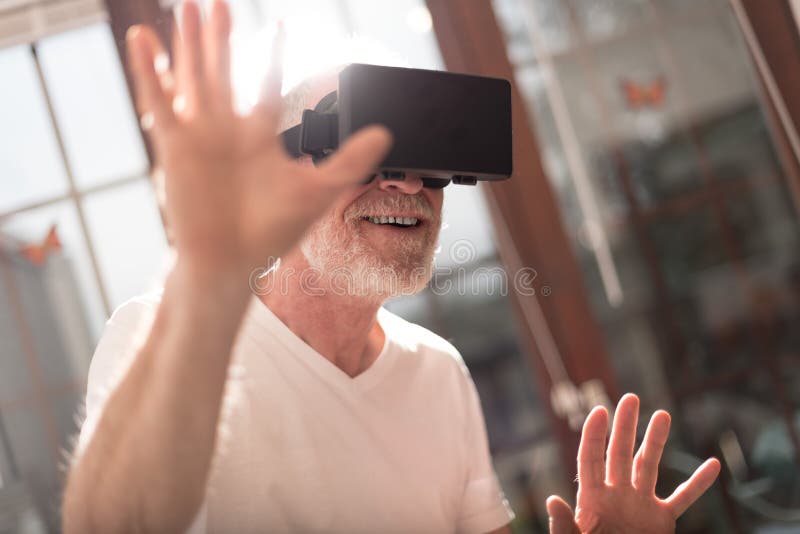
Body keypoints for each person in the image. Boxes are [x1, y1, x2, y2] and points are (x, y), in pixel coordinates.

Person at [61, 1, 721, 532]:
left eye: (430, 159)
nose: (409, 187)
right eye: (368, 153)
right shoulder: (163, 336)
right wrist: (206, 276)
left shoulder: (438, 372)